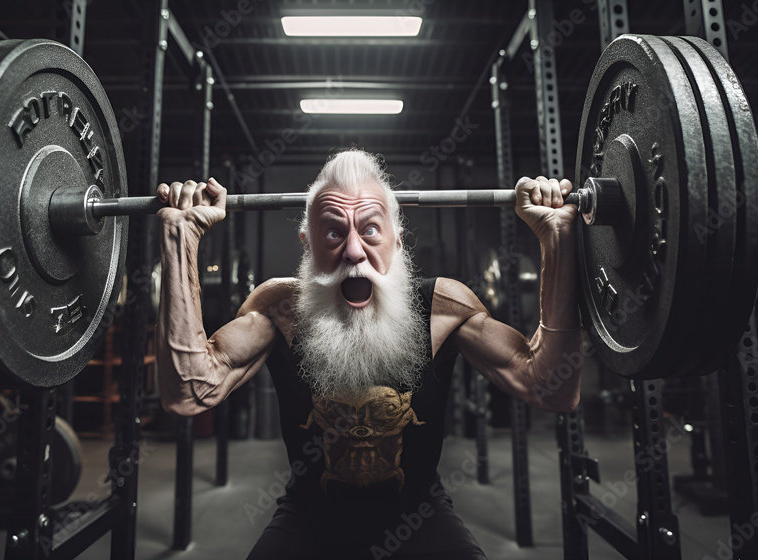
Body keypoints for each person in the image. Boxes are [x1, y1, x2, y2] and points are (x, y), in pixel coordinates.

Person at [155, 149, 582, 559]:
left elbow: (550, 388)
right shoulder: (278, 310)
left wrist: (556, 238)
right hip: (308, 521)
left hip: (421, 519)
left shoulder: (442, 308)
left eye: (371, 229)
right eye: (334, 231)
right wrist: (180, 238)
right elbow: (190, 392)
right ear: (308, 242)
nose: (354, 252)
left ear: (397, 237)